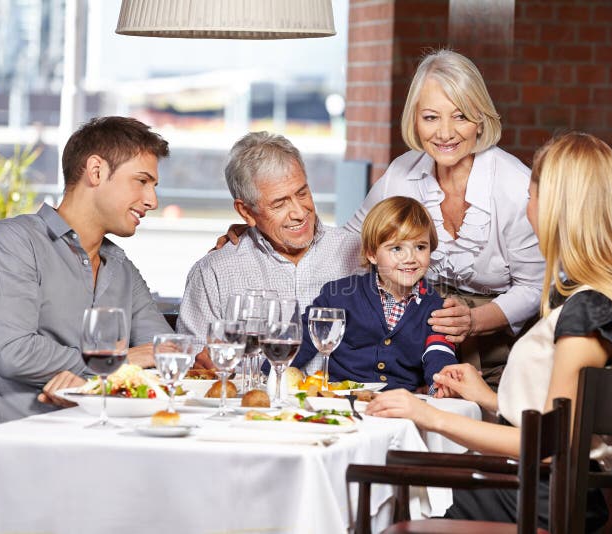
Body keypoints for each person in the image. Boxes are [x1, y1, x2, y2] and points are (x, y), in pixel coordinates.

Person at [365, 132, 612, 531]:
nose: (527, 209)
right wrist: (485, 396)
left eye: (532, 197)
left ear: (556, 208)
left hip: (525, 503)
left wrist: (428, 414)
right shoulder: (599, 298)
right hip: (525, 493)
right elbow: (557, 421)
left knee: (366, 495)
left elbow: (553, 446)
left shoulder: (588, 310)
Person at [344, 50, 545, 387]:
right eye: (431, 117)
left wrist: (474, 321)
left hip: (505, 357)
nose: (445, 133)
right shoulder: (401, 174)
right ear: (415, 119)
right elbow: (350, 242)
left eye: (460, 116)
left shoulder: (514, 186)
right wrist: (259, 237)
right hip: (414, 350)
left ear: (481, 119)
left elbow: (537, 286)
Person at [0, 116, 174, 426]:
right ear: (96, 171)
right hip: (22, 444)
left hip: (110, 438)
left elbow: (163, 354)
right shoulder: (11, 243)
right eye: (142, 181)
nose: (152, 200)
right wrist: (118, 363)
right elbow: (14, 352)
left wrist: (91, 384)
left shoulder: (121, 266)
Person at [177, 131, 361, 371]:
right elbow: (197, 367)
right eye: (280, 203)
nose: (299, 212)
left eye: (302, 193)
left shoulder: (360, 252)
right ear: (245, 212)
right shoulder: (214, 273)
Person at [292, 196, 456, 391]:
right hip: (342, 397)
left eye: (420, 247)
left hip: (400, 402)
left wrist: (442, 383)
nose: (410, 258)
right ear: (372, 254)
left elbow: (438, 351)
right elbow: (305, 337)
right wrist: (269, 373)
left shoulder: (435, 305)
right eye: (396, 248)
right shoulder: (339, 295)